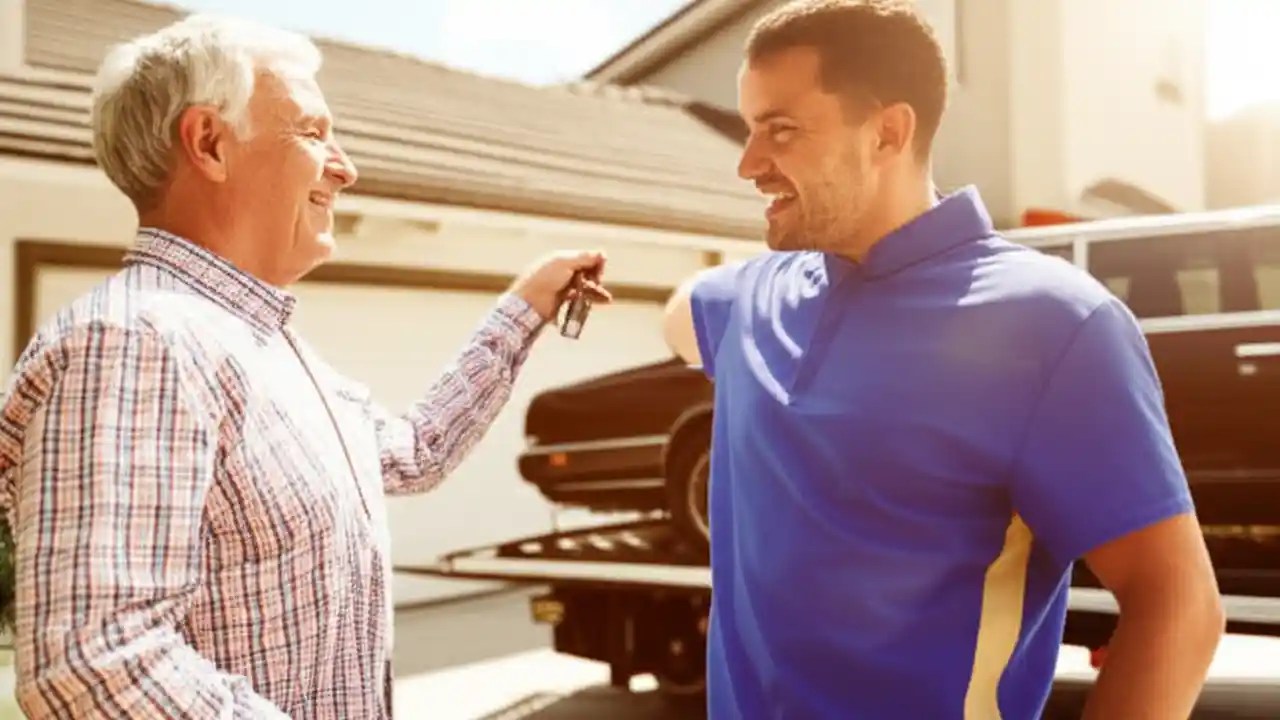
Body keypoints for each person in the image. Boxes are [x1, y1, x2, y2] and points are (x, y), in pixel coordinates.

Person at [0, 14, 608, 720]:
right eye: (314, 133)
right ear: (208, 143)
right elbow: (94, 660)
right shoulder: (137, 344)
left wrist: (527, 304)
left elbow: (415, 452)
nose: (346, 167)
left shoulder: (262, 348)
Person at [661, 1, 1224, 718]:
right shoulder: (750, 299)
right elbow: (680, 312)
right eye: (749, 130)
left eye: (781, 130)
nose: (748, 164)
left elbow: (1178, 606)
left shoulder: (1053, 324)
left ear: (887, 133)